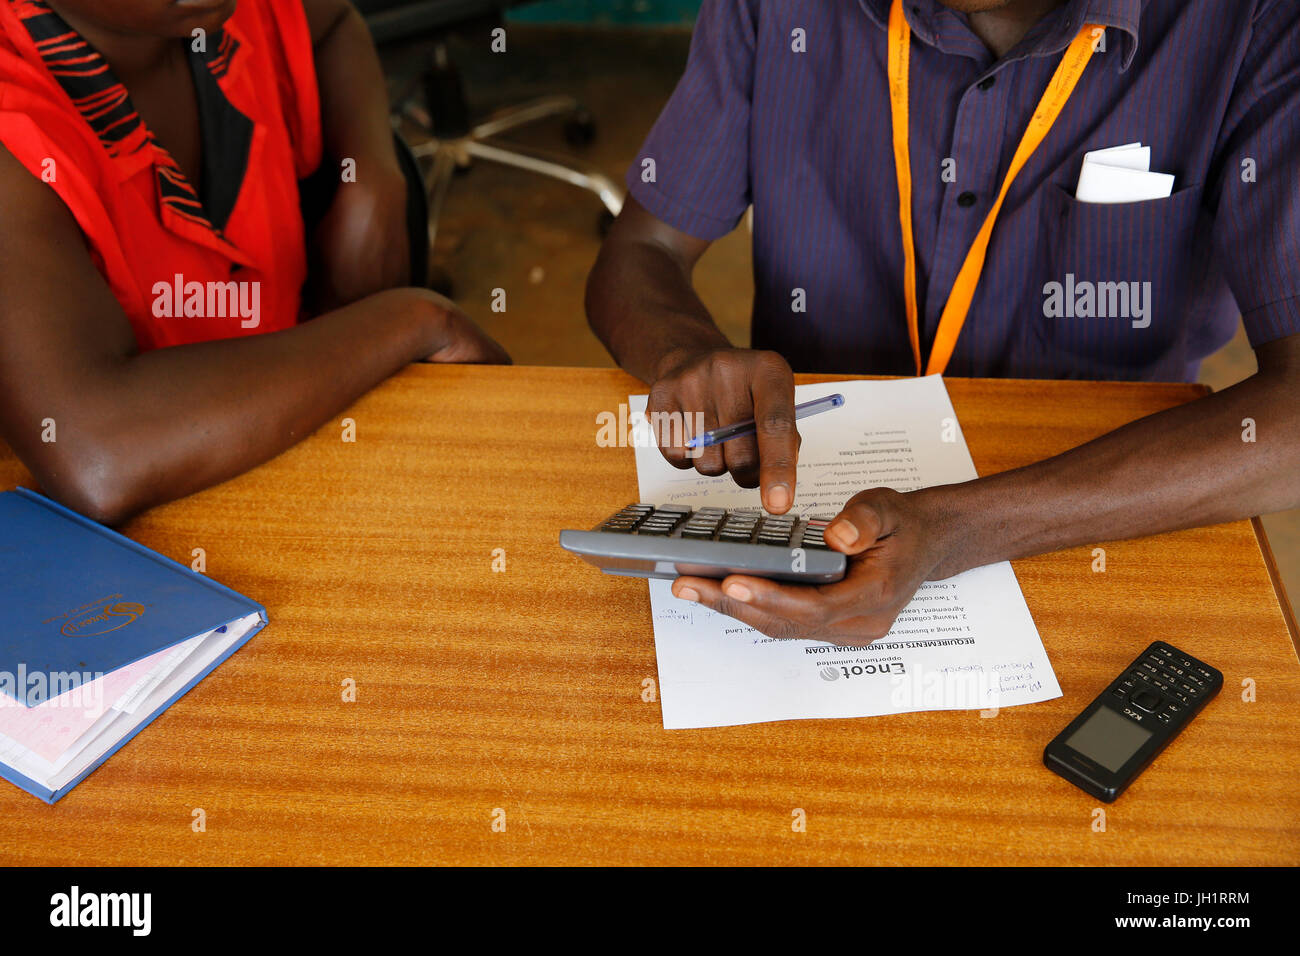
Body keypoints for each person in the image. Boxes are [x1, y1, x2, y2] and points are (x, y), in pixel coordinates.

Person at [586, 0, 1300, 645]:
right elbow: (642, 249)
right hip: (813, 493)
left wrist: (956, 531)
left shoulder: (1256, 20)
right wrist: (687, 348)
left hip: (1106, 513)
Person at [0, 0, 508, 526]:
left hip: (310, 450)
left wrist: (370, 174)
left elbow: (335, 22)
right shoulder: (15, 126)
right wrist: (414, 321)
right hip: (168, 548)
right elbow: (97, 454)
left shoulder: (221, 12)